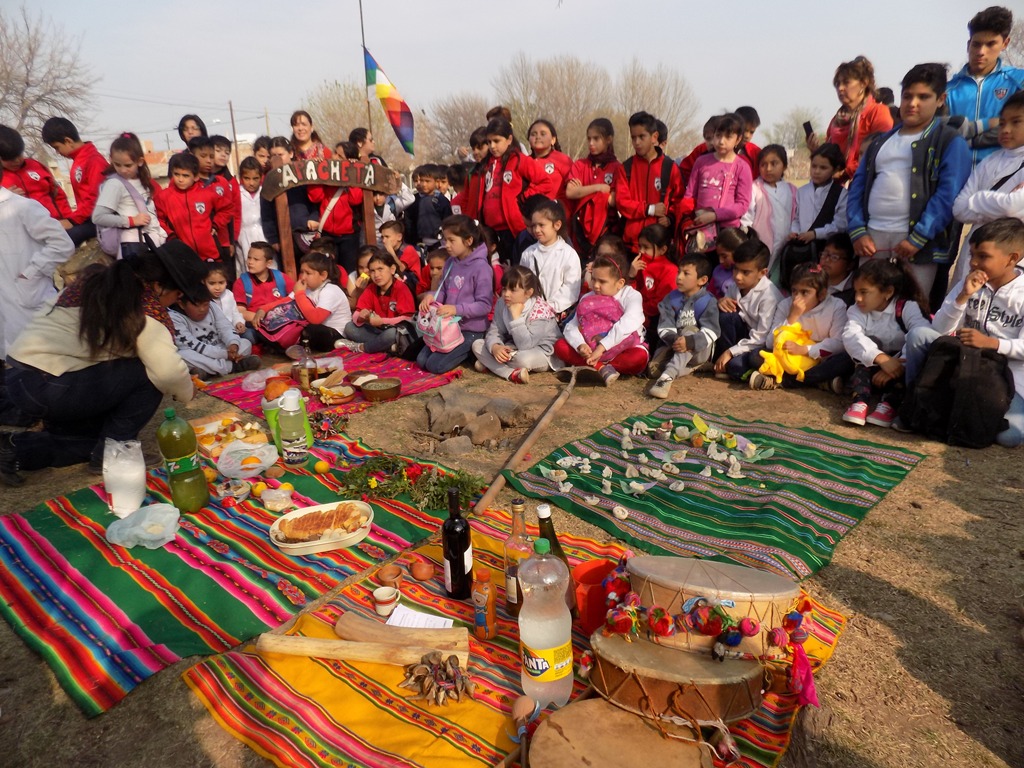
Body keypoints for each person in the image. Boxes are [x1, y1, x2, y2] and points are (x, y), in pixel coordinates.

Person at [0, 243, 200, 481]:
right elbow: (168, 372)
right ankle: (114, 454)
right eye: (178, 294)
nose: (175, 301)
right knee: (147, 373)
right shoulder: (142, 306)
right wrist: (188, 390)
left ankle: (11, 448)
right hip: (48, 383)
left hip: (24, 378)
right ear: (158, 286)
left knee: (84, 445)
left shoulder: (104, 282)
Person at [847, 63, 972, 301]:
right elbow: (857, 187)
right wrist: (857, 230)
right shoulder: (879, 142)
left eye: (923, 97)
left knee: (911, 310)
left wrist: (919, 237)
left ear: (940, 100)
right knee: (866, 307)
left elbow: (948, 194)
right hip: (872, 239)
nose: (912, 103)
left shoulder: (950, 141)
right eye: (907, 96)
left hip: (917, 244)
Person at [902, 218, 1024, 445]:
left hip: (1006, 375)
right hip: (963, 360)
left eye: (983, 256)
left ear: (1012, 258)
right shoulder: (969, 283)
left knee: (1010, 436)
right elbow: (939, 330)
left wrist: (992, 344)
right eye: (972, 255)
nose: (974, 263)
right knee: (919, 335)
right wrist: (962, 297)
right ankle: (912, 400)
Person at [840, 258, 930, 427]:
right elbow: (851, 335)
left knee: (908, 370)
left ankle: (889, 404)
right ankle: (860, 402)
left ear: (888, 292)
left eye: (864, 292)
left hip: (901, 366)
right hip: (875, 365)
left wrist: (896, 365)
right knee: (862, 358)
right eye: (856, 291)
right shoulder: (856, 310)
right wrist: (881, 359)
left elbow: (920, 335)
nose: (858, 298)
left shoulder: (907, 307)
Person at [950, 91, 1024, 288]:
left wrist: (977, 200)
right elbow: (959, 209)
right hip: (974, 253)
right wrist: (1001, 206)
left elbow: (1012, 206)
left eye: (1016, 122)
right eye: (1002, 123)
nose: (1006, 129)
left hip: (1011, 261)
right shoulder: (990, 161)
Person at [0, 165, 75, 359]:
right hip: (7, 309)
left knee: (42, 358)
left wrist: (32, 272)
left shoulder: (22, 207)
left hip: (28, 299)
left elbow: (62, 244)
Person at [747, 263, 853, 391]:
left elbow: (839, 343)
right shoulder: (785, 305)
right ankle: (818, 382)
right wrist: (792, 318)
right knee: (755, 356)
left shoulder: (836, 306)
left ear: (822, 294)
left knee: (846, 360)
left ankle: (784, 381)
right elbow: (770, 343)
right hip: (787, 360)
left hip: (818, 360)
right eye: (794, 291)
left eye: (805, 292)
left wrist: (805, 350)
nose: (797, 298)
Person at [554, 249, 649, 384]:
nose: (596, 285)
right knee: (560, 346)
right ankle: (601, 368)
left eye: (602, 282)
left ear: (620, 283)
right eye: (593, 279)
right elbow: (572, 326)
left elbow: (627, 324)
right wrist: (580, 345)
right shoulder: (587, 298)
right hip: (590, 349)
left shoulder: (631, 296)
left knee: (639, 357)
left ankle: (589, 366)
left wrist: (602, 347)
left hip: (620, 350)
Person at [946, 6, 1024, 166]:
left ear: (1005, 43)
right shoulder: (947, 90)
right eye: (976, 44)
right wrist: (990, 123)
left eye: (990, 44)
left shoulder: (1019, 81)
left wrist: (971, 140)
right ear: (968, 44)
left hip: (1003, 174)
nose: (981, 51)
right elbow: (942, 134)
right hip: (956, 174)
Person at [416, 215, 494, 373]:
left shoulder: (481, 268)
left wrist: (456, 309)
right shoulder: (451, 262)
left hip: (471, 330)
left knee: (435, 366)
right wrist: (432, 297)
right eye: (445, 240)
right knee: (421, 361)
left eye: (451, 240)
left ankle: (472, 350)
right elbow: (444, 290)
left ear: (468, 241)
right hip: (448, 326)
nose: (446, 245)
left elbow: (485, 305)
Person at [474, 117, 556, 266]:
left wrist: (524, 197)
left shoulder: (520, 160)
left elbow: (546, 182)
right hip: (490, 231)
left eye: (497, 141)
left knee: (516, 269)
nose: (492, 146)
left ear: (509, 139)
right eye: (489, 142)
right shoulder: (485, 165)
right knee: (494, 270)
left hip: (513, 229)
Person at [806, 56, 894, 181]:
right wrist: (816, 151)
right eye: (837, 84)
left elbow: (879, 153)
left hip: (862, 182)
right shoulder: (837, 119)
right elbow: (829, 157)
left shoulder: (877, 113)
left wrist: (845, 174)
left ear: (863, 83)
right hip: (835, 185)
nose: (840, 88)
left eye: (846, 83)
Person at [648, 254, 721, 399]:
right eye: (678, 272)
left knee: (689, 331)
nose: (679, 277)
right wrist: (676, 340)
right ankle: (691, 368)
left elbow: (712, 331)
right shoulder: (670, 299)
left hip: (699, 349)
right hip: (675, 346)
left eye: (686, 273)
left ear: (702, 280)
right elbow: (665, 326)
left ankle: (666, 378)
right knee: (653, 370)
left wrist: (689, 341)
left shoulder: (708, 301)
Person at [472, 265, 559, 384]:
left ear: (528, 293)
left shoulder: (540, 311)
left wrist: (516, 317)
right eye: (504, 289)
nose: (506, 294)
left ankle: (491, 364)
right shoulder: (502, 303)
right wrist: (495, 347)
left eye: (513, 290)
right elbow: (495, 331)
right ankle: (510, 374)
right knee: (477, 345)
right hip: (513, 347)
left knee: (522, 359)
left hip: (542, 352)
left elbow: (526, 345)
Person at [680, 113, 753, 252]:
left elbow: (742, 204)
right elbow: (689, 196)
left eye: (728, 137)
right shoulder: (701, 162)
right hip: (701, 229)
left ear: (738, 139)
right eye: (718, 135)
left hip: (728, 232)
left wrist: (714, 215)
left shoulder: (742, 167)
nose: (721, 141)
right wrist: (688, 222)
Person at [713, 237, 782, 381]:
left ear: (762, 273)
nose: (738, 276)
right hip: (744, 339)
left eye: (745, 272)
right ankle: (723, 362)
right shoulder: (735, 287)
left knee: (737, 367)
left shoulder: (769, 296)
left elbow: (761, 338)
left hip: (762, 344)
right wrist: (721, 302)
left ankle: (735, 366)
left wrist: (730, 352)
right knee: (725, 315)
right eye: (735, 269)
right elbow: (728, 319)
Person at [613, 111, 683, 255]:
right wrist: (649, 209)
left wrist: (670, 218)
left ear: (654, 137)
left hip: (659, 246)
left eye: (641, 137)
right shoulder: (626, 168)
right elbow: (622, 202)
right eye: (633, 137)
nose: (637, 142)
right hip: (632, 246)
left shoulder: (670, 167)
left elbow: (679, 200)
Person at [92, 132, 165, 258]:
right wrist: (131, 221)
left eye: (128, 165)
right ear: (111, 160)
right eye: (117, 164)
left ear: (140, 162)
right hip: (133, 245)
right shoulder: (114, 184)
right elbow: (98, 217)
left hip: (149, 241)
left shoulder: (142, 181)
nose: (123, 170)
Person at [40, 117, 108, 246]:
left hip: (100, 221)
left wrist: (73, 220)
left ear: (68, 141)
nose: (57, 152)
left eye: (57, 147)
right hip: (88, 219)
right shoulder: (80, 160)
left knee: (61, 241)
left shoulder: (94, 160)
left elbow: (96, 198)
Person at [156, 153, 232, 263]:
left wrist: (216, 225)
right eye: (177, 174)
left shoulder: (207, 193)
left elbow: (226, 208)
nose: (180, 179)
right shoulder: (164, 197)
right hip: (182, 255)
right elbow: (158, 220)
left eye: (185, 176)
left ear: (196, 177)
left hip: (210, 253)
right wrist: (170, 236)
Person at [566, 118, 622, 260]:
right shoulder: (580, 165)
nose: (591, 143)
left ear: (609, 139)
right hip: (580, 231)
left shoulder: (617, 168)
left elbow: (613, 200)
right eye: (589, 139)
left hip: (606, 231)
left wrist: (582, 191)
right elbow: (570, 192)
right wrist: (598, 188)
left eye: (596, 139)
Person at [171, 291, 260, 379]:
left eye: (205, 305)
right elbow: (194, 346)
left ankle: (208, 371)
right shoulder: (174, 317)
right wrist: (225, 355)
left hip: (220, 348)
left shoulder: (212, 306)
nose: (202, 309)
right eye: (196, 305)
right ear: (181, 304)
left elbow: (225, 327)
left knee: (245, 343)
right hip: (199, 353)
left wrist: (233, 344)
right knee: (182, 355)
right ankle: (234, 366)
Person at [519, 199, 581, 322]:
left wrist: (548, 307)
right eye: (534, 225)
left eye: (541, 225)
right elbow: (522, 282)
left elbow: (571, 289)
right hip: (529, 313)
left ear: (557, 225)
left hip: (557, 315)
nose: (537, 230)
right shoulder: (528, 253)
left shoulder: (569, 254)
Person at [344, 248, 416, 355]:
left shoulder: (401, 288)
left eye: (380, 269)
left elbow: (407, 319)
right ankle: (387, 347)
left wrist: (382, 321)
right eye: (372, 271)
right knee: (349, 328)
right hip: (377, 330)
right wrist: (361, 316)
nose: (376, 275)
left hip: (395, 331)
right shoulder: (370, 288)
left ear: (392, 269)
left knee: (391, 334)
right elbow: (356, 315)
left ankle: (363, 347)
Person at [0, 124, 73, 221]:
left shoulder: (36, 166)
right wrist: (4, 199)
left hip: (54, 223)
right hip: (21, 227)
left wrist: (68, 219)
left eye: (19, 155)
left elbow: (58, 195)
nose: (17, 161)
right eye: (10, 159)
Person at [745, 144, 797, 280]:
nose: (768, 169)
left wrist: (794, 232)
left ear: (784, 166)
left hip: (786, 244)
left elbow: (797, 216)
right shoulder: (754, 188)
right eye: (763, 165)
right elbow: (747, 217)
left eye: (774, 164)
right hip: (761, 244)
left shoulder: (792, 190)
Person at [260, 137, 315, 256]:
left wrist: (314, 217)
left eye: (281, 155)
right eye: (273, 155)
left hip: (308, 233)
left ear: (290, 153)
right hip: (284, 236)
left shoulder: (304, 172)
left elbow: (316, 198)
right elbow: (266, 213)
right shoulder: (269, 179)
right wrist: (273, 239)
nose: (277, 159)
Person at [293, 250, 353, 352]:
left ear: (323, 275)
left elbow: (316, 319)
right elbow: (285, 301)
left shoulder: (330, 290)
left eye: (308, 273)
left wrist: (299, 294)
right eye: (301, 272)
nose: (303, 277)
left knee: (310, 329)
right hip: (315, 332)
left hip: (334, 335)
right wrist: (264, 310)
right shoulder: (305, 288)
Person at [629, 223, 678, 337]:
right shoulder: (639, 263)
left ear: (663, 249)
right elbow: (630, 292)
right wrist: (631, 276)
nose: (641, 251)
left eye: (646, 247)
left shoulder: (670, 270)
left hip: (655, 320)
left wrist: (637, 309)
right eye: (640, 246)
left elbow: (660, 302)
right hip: (636, 311)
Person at [307, 176, 363, 273]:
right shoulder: (325, 174)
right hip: (327, 232)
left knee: (349, 271)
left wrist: (352, 177)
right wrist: (317, 175)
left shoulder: (352, 171)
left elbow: (356, 199)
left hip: (349, 233)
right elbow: (315, 197)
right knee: (326, 269)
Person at [234, 242, 295, 328]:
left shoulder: (281, 278)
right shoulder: (241, 282)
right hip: (256, 325)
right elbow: (241, 312)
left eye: (256, 259)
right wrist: (265, 320)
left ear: (268, 263)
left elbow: (296, 298)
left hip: (283, 322)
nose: (250, 262)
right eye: (249, 258)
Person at [406, 164, 452, 249]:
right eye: (422, 180)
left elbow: (448, 221)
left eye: (427, 181)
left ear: (436, 182)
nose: (423, 184)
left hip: (439, 243)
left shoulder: (441, 201)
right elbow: (410, 223)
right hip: (420, 244)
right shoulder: (415, 200)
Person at [235, 156, 267, 278]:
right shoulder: (237, 193)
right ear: (241, 177)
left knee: (267, 268)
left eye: (255, 178)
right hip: (243, 237)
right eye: (247, 178)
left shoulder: (265, 192)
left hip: (264, 235)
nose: (251, 183)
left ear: (261, 177)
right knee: (247, 269)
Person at [528, 119, 572, 206]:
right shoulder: (524, 161)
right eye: (533, 134)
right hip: (530, 210)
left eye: (543, 134)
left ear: (553, 140)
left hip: (557, 209)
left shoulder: (562, 160)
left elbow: (573, 189)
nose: (538, 137)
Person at [204, 263, 249, 339]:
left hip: (232, 330)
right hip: (214, 335)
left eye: (221, 283)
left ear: (226, 282)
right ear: (204, 282)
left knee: (249, 335)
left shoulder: (228, 295)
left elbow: (235, 313)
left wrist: (238, 322)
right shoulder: (204, 299)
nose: (217, 288)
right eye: (212, 283)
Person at [820, 233, 858, 305]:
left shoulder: (855, 292)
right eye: (824, 254)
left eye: (834, 257)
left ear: (850, 265)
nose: (827, 260)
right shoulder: (812, 281)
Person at [734, 106, 763, 180]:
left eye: (751, 132)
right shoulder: (717, 147)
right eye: (745, 130)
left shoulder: (756, 153)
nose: (747, 136)